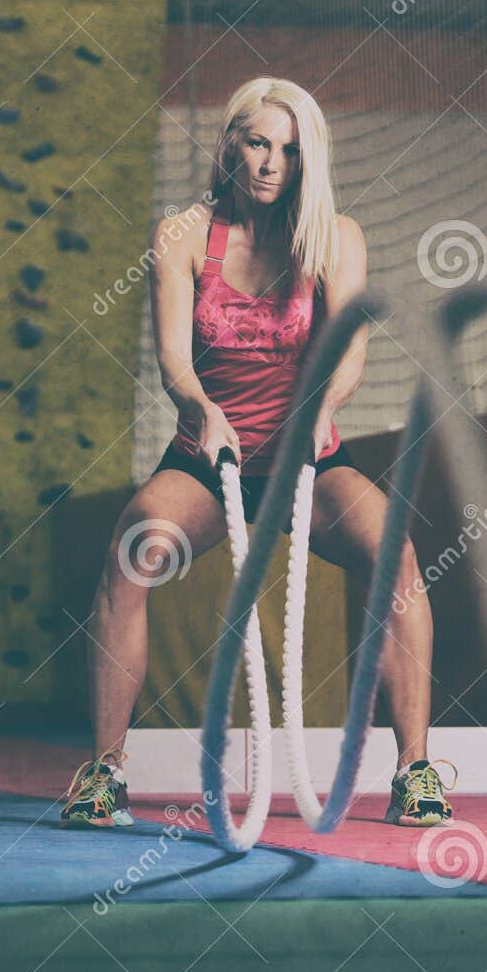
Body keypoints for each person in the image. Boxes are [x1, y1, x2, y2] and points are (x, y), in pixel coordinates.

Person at [62, 77, 454, 829]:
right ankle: (104, 771)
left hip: (311, 459)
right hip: (211, 460)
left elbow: (347, 354)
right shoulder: (180, 237)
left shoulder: (336, 236)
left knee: (395, 554)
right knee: (132, 551)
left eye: (290, 150)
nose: (273, 163)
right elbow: (174, 359)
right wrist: (199, 407)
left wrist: (323, 408)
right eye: (259, 143)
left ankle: (415, 771)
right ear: (230, 145)